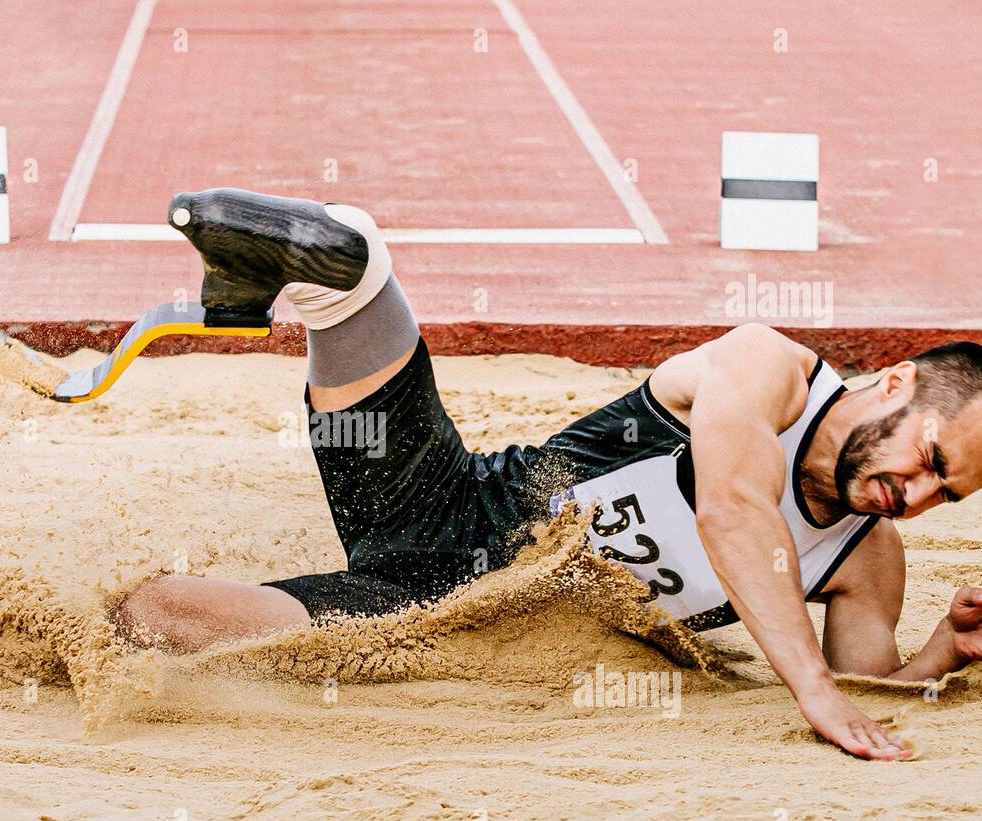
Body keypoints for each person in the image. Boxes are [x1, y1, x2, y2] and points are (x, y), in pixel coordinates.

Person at [114, 187, 982, 761]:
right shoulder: (767, 368)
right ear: (896, 382)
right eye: (931, 460)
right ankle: (341, 270)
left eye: (948, 495)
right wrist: (811, 693)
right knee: (364, 357)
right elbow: (730, 509)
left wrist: (950, 646)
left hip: (443, 625)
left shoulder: (866, 559)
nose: (918, 496)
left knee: (159, 617)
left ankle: (341, 281)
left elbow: (867, 693)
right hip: (452, 510)